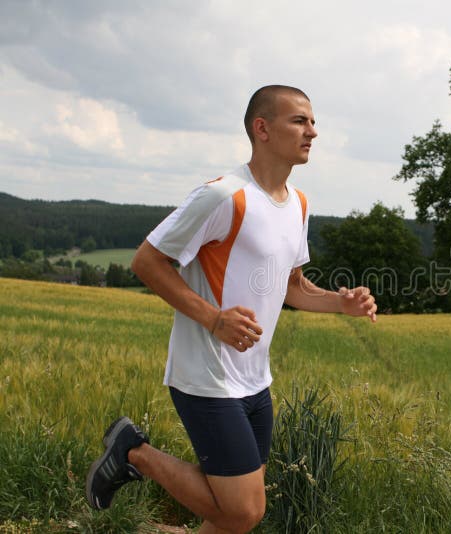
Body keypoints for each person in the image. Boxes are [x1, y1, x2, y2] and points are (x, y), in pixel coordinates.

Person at [85, 85, 378, 534]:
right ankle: (131, 452)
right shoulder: (224, 196)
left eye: (313, 122)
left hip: (255, 379)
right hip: (206, 377)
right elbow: (147, 262)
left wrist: (341, 303)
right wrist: (214, 318)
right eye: (299, 121)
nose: (313, 132)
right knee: (243, 511)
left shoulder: (298, 205)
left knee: (229, 518)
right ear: (262, 128)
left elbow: (293, 288)